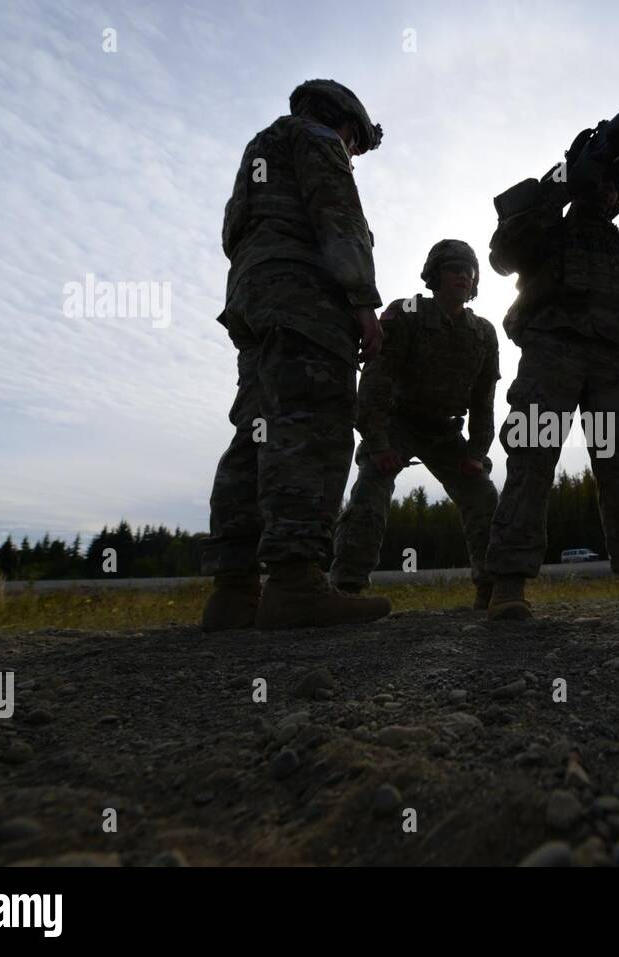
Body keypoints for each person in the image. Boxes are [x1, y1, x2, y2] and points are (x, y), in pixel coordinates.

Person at [483, 119, 619, 621]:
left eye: (615, 185)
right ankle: (508, 586)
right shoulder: (545, 226)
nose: (606, 191)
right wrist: (557, 192)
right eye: (599, 179)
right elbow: (502, 255)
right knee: (532, 461)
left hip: (613, 364)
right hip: (550, 357)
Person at [200, 79, 392, 631]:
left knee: (256, 430)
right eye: (355, 143)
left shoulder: (260, 147)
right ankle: (295, 585)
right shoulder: (316, 139)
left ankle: (233, 591)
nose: (352, 153)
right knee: (313, 422)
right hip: (302, 295)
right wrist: (361, 301)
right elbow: (338, 216)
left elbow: (233, 233)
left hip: (253, 297)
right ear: (344, 122)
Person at [330, 240, 500, 608]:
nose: (462, 275)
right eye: (453, 267)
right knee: (370, 488)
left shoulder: (483, 332)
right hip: (397, 421)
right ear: (435, 275)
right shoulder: (406, 312)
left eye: (468, 271)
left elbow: (483, 400)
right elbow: (377, 378)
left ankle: (493, 587)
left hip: (445, 431)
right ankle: (347, 587)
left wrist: (476, 452)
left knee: (481, 494)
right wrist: (377, 443)